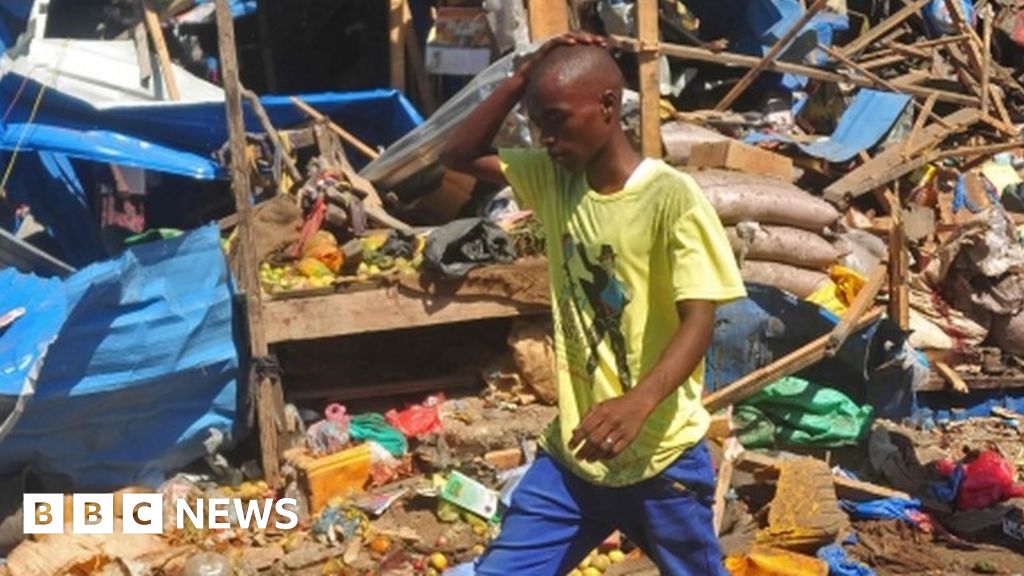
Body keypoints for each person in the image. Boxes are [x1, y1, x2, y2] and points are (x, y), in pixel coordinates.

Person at [439, 32, 745, 575]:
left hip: (660, 458)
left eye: (557, 120)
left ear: (608, 105)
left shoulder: (670, 198)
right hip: (575, 459)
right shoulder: (554, 180)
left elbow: (699, 320)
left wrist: (639, 401)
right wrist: (520, 77)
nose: (547, 139)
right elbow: (457, 155)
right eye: (538, 124)